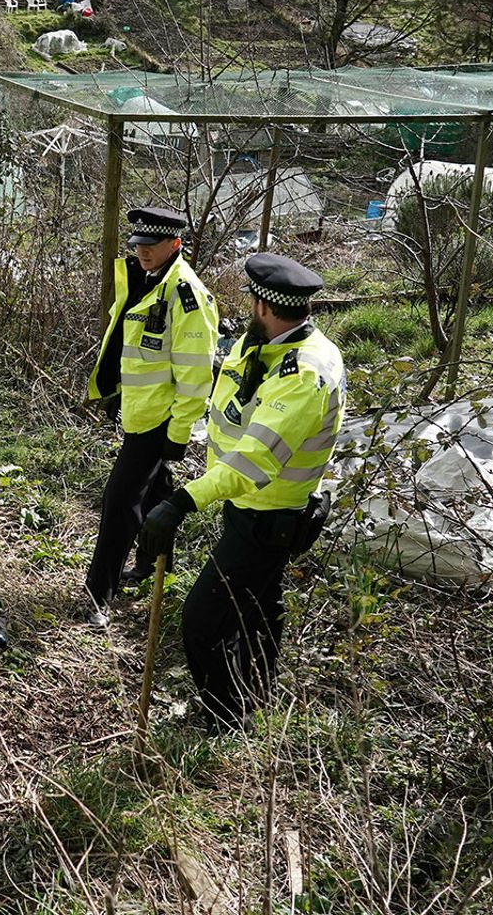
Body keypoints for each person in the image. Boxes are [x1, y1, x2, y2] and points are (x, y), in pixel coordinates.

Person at [136, 253, 346, 729]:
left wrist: (181, 501)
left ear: (265, 307)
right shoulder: (263, 343)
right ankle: (254, 694)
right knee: (259, 607)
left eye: (253, 303)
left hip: (268, 517)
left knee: (203, 619)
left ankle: (224, 716)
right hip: (248, 509)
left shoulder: (304, 375)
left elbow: (253, 462)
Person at [81, 207, 218, 626]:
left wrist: (177, 434)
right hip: (139, 413)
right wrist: (115, 393)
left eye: (150, 245)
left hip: (159, 421)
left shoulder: (186, 296)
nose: (141, 250)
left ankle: (97, 595)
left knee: (119, 503)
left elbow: (196, 376)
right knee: (157, 491)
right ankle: (154, 567)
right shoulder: (145, 281)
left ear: (175, 244)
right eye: (137, 243)